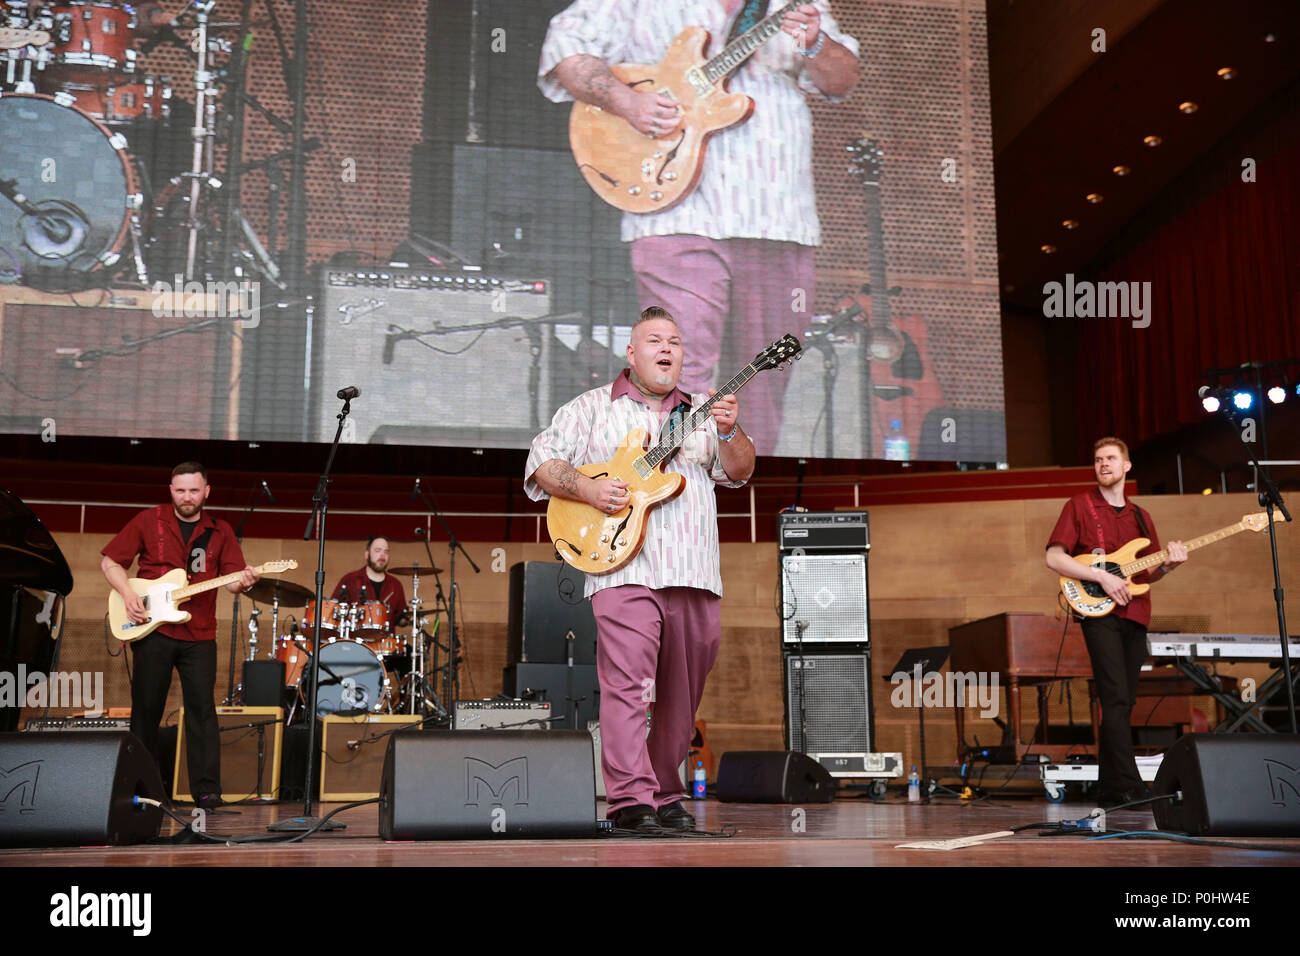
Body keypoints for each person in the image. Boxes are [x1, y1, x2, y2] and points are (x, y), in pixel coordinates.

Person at [538, 0, 859, 456]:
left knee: (763, 384)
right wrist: (627, 101)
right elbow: (566, 48)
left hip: (779, 216)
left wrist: (817, 43)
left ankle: (741, 510)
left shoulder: (793, 4)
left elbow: (842, 79)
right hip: (676, 211)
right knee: (677, 376)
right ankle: (671, 505)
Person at [525, 306, 755, 831]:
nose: (666, 347)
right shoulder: (591, 408)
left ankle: (664, 791)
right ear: (632, 353)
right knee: (627, 686)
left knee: (683, 692)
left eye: (674, 340)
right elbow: (542, 460)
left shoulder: (703, 410)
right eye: (655, 339)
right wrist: (586, 487)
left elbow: (740, 471)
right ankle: (630, 800)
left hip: (695, 569)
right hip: (622, 566)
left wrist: (731, 429)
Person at [101, 462, 259, 808]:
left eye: (193, 490)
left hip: (199, 633)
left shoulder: (221, 531)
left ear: (206, 492)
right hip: (152, 629)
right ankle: (142, 789)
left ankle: (206, 790)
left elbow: (232, 581)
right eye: (180, 490)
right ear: (171, 489)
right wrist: (129, 595)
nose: (187, 497)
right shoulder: (148, 520)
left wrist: (245, 580)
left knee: (202, 711)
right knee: (146, 710)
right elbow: (110, 562)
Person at [1044, 438, 1188, 806]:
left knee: (1123, 699)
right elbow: (1054, 557)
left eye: (1110, 458)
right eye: (1097, 460)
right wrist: (1101, 578)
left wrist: (1169, 565)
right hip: (1099, 614)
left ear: (1126, 466)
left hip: (1136, 614)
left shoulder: (1142, 517)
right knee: (1115, 697)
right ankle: (1129, 783)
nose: (1103, 464)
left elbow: (1148, 573)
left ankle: (1112, 789)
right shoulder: (1079, 505)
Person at [331, 536, 408, 625]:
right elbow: (333, 610)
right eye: (377, 550)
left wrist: (412, 616)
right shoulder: (350, 580)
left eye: (386, 551)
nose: (382, 555)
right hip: (355, 637)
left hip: (386, 638)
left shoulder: (395, 585)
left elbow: (401, 618)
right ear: (367, 555)